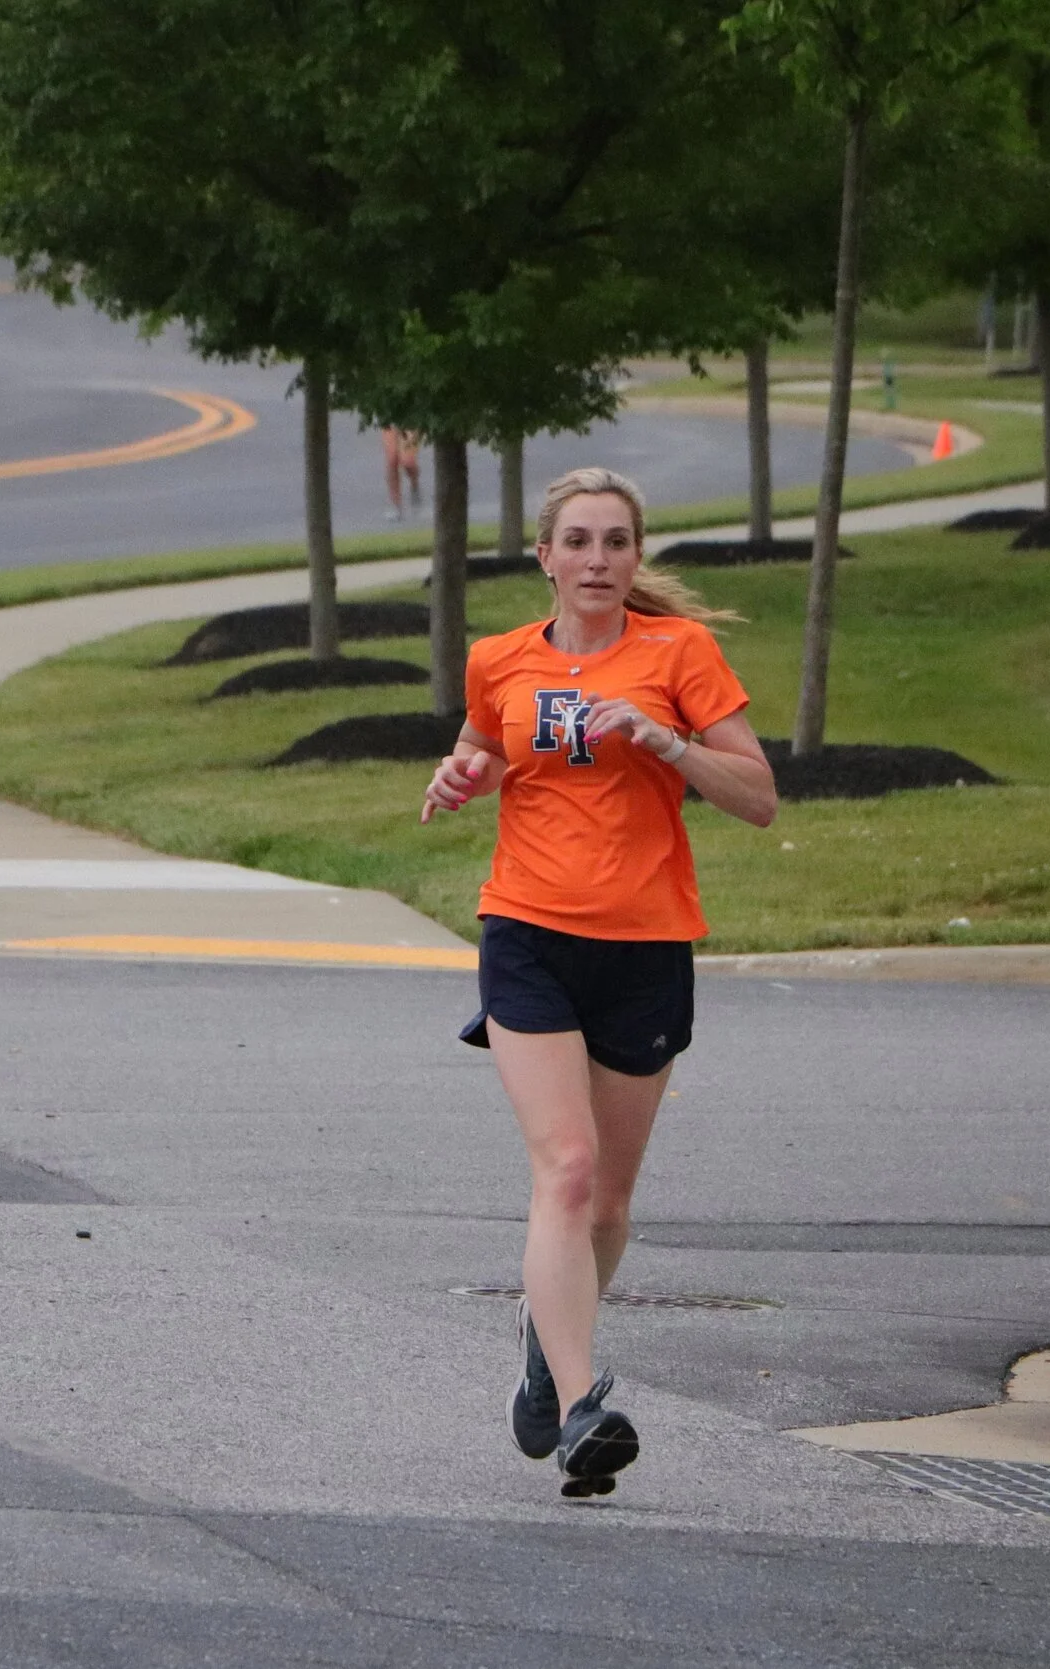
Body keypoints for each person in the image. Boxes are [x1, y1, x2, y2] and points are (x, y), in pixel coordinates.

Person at [420, 465, 778, 1492]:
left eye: (615, 542)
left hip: (646, 944)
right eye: (576, 541)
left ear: (635, 556)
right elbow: (481, 754)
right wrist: (456, 777)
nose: (596, 560)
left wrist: (671, 743)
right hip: (527, 934)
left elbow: (757, 798)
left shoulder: (680, 654)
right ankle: (584, 1409)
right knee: (566, 1169)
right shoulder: (501, 660)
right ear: (544, 554)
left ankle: (547, 1341)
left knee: (608, 1203)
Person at [383, 426, 423, 520]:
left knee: (408, 462)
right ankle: (396, 505)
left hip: (409, 418)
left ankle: (415, 486)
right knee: (392, 459)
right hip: (389, 418)